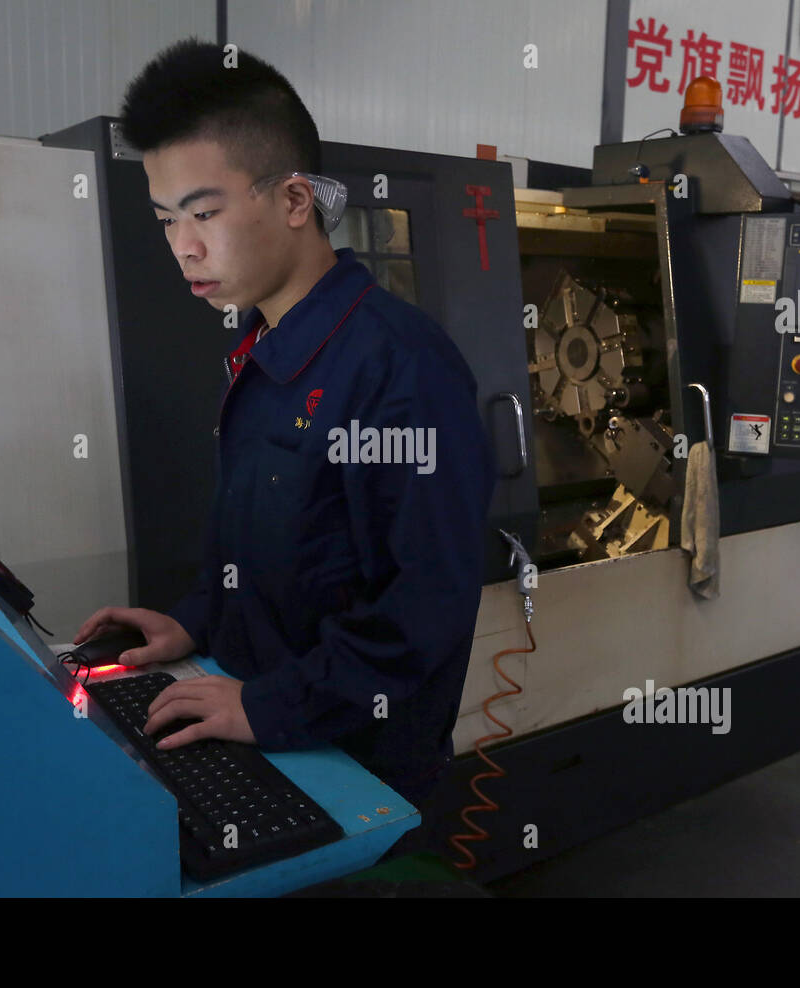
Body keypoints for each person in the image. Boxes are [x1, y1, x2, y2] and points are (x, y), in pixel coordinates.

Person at [74, 37, 495, 809]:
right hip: (255, 725)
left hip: (350, 767)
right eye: (167, 219)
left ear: (296, 201)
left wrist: (266, 707)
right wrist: (193, 624)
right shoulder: (262, 353)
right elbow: (276, 556)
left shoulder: (402, 370)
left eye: (205, 212)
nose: (185, 248)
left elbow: (423, 611)